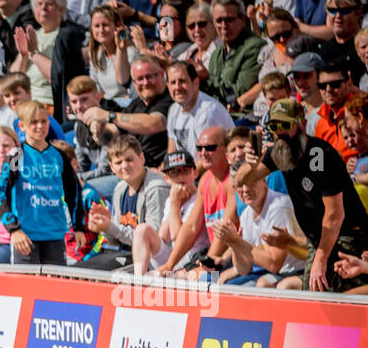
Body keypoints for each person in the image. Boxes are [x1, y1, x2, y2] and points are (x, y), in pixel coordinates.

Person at [234, 97, 368, 291]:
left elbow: (334, 215)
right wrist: (250, 163)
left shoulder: (319, 154)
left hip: (346, 235)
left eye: (285, 125)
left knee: (333, 295)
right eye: (274, 126)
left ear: (302, 124)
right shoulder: (280, 152)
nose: (280, 132)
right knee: (314, 294)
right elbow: (241, 180)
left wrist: (320, 259)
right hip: (318, 238)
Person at [0, 98, 80, 264]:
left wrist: (79, 227)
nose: (40, 126)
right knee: (26, 282)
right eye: (33, 122)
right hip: (26, 237)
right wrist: (14, 230)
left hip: (55, 236)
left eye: (43, 121)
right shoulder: (16, 154)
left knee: (55, 281)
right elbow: (1, 193)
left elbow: (73, 192)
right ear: (22, 126)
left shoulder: (59, 155)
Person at [157, 123, 237, 276]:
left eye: (210, 147)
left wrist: (207, 264)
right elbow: (191, 227)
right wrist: (170, 264)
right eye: (199, 148)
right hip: (211, 257)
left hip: (232, 258)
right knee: (169, 276)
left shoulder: (233, 180)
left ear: (226, 149)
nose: (203, 153)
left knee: (190, 278)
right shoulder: (205, 179)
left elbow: (225, 230)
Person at [83, 134, 167, 269]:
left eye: (129, 159)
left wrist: (111, 226)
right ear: (111, 167)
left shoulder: (156, 188)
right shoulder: (120, 189)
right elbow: (115, 242)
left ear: (142, 158)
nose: (125, 166)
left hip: (151, 263)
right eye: (118, 162)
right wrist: (103, 226)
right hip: (126, 256)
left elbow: (153, 241)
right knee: (80, 269)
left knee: (90, 271)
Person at [81, 52, 171, 167]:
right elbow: (111, 135)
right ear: (134, 82)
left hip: (159, 170)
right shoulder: (135, 105)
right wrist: (99, 129)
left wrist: (108, 116)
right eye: (140, 79)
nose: (146, 83)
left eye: (150, 76)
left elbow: (153, 123)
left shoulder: (170, 100)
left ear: (162, 74)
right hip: (133, 169)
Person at [215, 173, 306, 285]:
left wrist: (237, 242)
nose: (245, 190)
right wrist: (233, 244)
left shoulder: (278, 207)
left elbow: (274, 265)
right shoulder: (246, 214)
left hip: (300, 271)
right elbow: (243, 269)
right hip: (273, 273)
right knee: (214, 281)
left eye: (250, 183)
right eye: (240, 185)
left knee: (262, 284)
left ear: (264, 182)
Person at [132, 149, 204, 273]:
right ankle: (138, 278)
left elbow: (177, 237)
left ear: (195, 173)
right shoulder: (172, 198)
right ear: (166, 178)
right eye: (174, 173)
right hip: (174, 259)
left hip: (193, 260)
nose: (180, 177)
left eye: (185, 171)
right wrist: (174, 202)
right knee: (141, 229)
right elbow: (163, 237)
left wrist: (175, 204)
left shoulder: (199, 198)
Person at [207, 0, 265, 110]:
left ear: (242, 19)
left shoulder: (255, 47)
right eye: (219, 21)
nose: (224, 26)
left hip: (245, 115)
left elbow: (237, 93)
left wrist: (206, 79)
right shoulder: (216, 53)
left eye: (229, 20)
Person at [166, 60, 232, 161]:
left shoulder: (208, 112)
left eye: (182, 81)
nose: (177, 87)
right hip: (188, 168)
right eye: (173, 82)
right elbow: (172, 152)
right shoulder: (173, 110)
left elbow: (208, 159)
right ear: (168, 86)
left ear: (196, 83)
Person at [86, 4, 132, 101]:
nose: (101, 30)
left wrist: (120, 49)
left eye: (105, 25)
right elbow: (94, 88)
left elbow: (123, 81)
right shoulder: (97, 55)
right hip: (107, 104)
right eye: (97, 26)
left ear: (117, 25)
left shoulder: (130, 52)